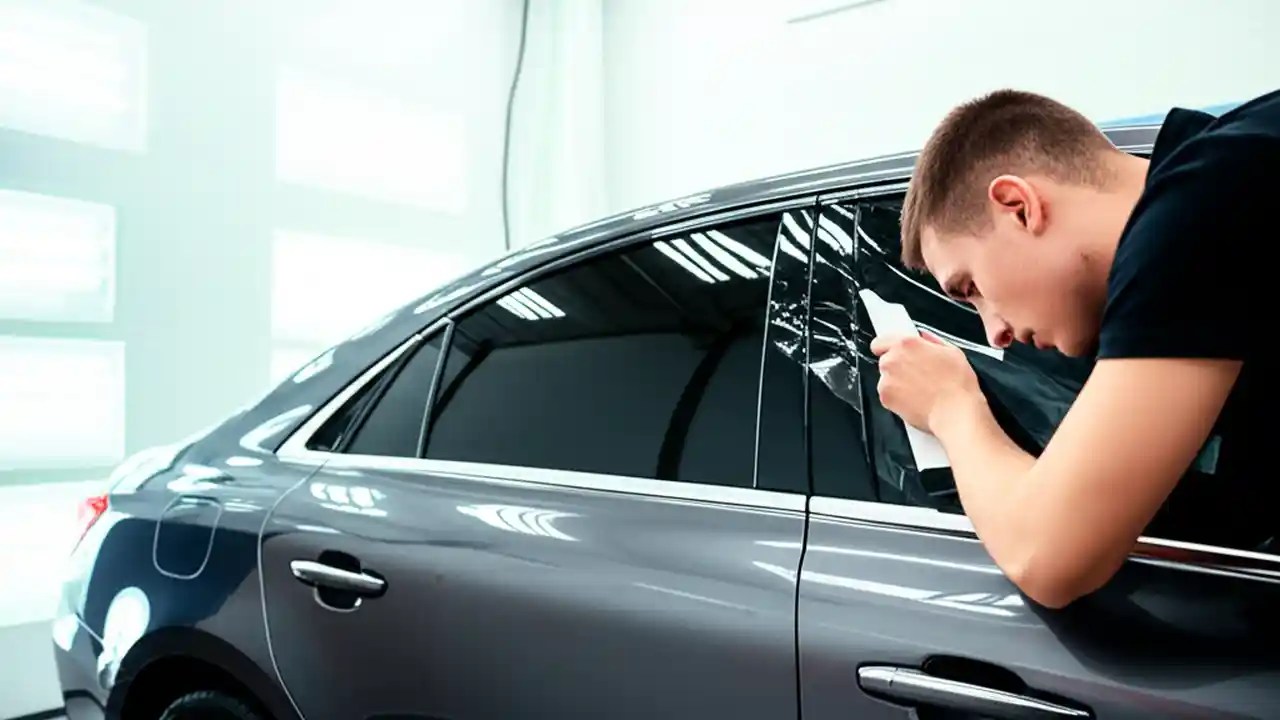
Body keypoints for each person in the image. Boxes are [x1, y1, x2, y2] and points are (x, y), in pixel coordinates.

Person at [871, 87, 1276, 609]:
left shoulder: (1196, 217)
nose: (994, 332)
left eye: (970, 289)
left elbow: (1049, 557)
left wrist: (950, 406)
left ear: (1018, 207)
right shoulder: (1235, 161)